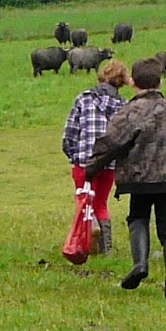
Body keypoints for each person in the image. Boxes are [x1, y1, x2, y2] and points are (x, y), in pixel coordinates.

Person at [84, 56, 166, 298]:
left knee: (138, 217)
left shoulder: (132, 111)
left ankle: (140, 264)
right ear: (159, 82)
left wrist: (91, 169)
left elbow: (111, 143)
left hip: (142, 179)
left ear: (133, 82)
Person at [62, 59, 130, 256]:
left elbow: (70, 132)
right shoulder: (124, 105)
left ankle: (84, 241)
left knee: (84, 202)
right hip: (108, 164)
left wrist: (73, 155)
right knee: (101, 203)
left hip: (84, 161)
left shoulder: (84, 98)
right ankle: (106, 249)